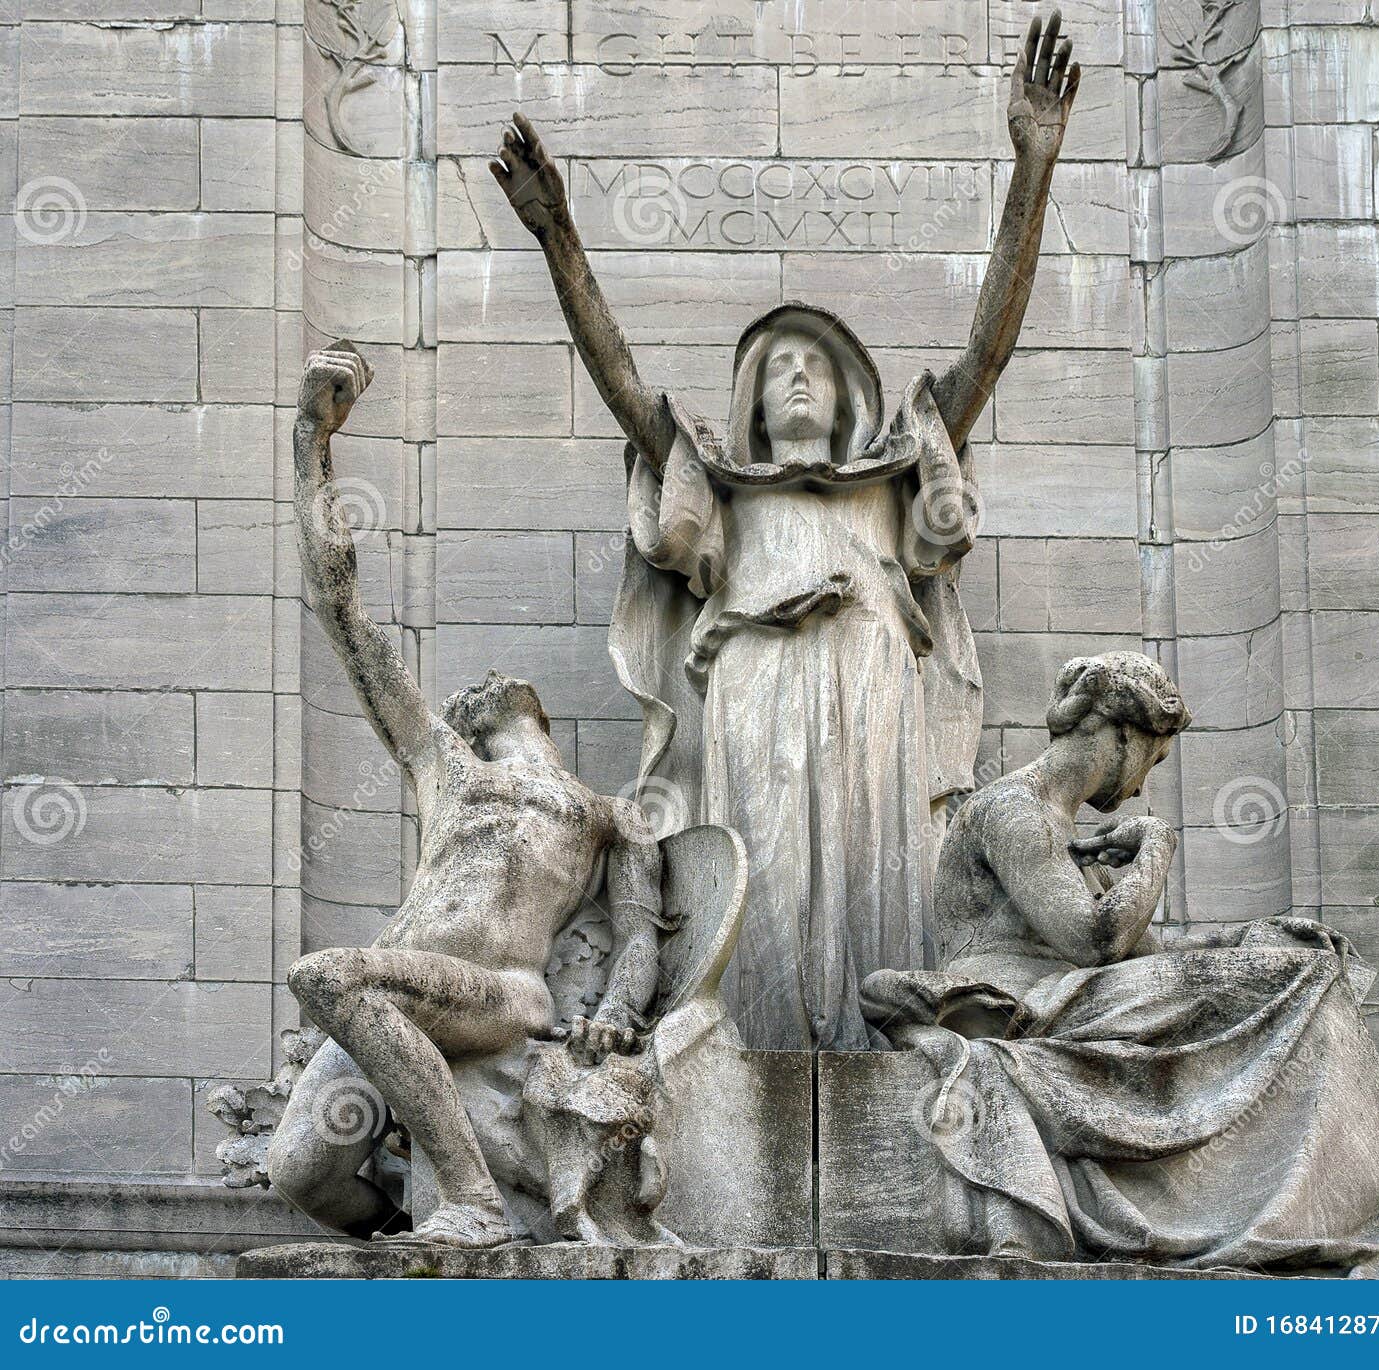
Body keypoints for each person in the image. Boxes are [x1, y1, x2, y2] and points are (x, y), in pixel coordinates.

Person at [490, 16, 1082, 1050]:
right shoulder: (722, 488)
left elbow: (985, 354)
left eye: (812, 362)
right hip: (754, 677)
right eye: (776, 367)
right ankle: (750, 1061)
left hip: (871, 675)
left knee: (871, 859)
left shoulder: (890, 478)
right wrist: (557, 236)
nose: (796, 373)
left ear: (848, 390)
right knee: (766, 862)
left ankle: (886, 1051)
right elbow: (626, 388)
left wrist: (1032, 168)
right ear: (752, 402)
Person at [862, 652, 1379, 1277]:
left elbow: (1145, 952)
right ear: (1124, 735)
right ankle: (1322, 1213)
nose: (1141, 788)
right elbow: (1096, 940)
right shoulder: (1012, 811)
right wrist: (1157, 845)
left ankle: (1324, 1210)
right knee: (1296, 982)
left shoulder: (1068, 835)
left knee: (1303, 970)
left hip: (1080, 990)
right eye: (1152, 762)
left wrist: (1250, 939)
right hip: (1023, 997)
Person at [269, 342, 664, 1249]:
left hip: (493, 992)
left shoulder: (609, 814)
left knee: (327, 972)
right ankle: (418, 1246)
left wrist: (610, 1016)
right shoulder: (447, 764)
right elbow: (345, 615)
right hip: (394, 994)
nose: (486, 686)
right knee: (302, 1177)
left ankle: (475, 1199)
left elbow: (639, 935)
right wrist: (311, 445)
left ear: (539, 717)